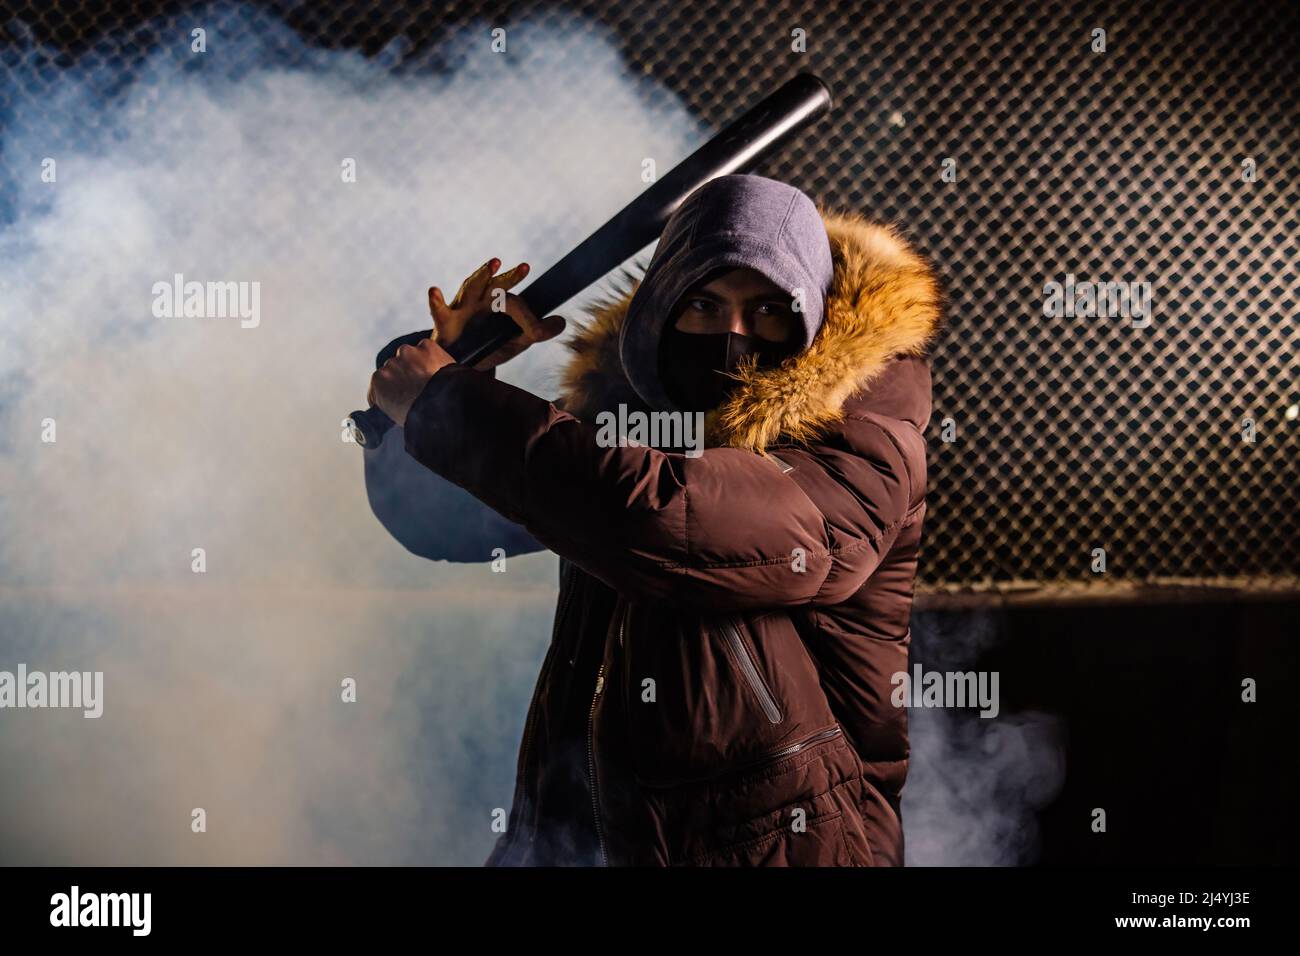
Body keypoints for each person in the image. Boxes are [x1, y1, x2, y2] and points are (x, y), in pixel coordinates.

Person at [364, 174, 943, 866]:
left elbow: (678, 517)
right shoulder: (631, 430)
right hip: (583, 837)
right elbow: (447, 521)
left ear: (812, 320)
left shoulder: (862, 441)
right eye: (702, 304)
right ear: (661, 313)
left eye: (767, 309)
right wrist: (446, 390)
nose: (732, 335)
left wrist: (449, 407)